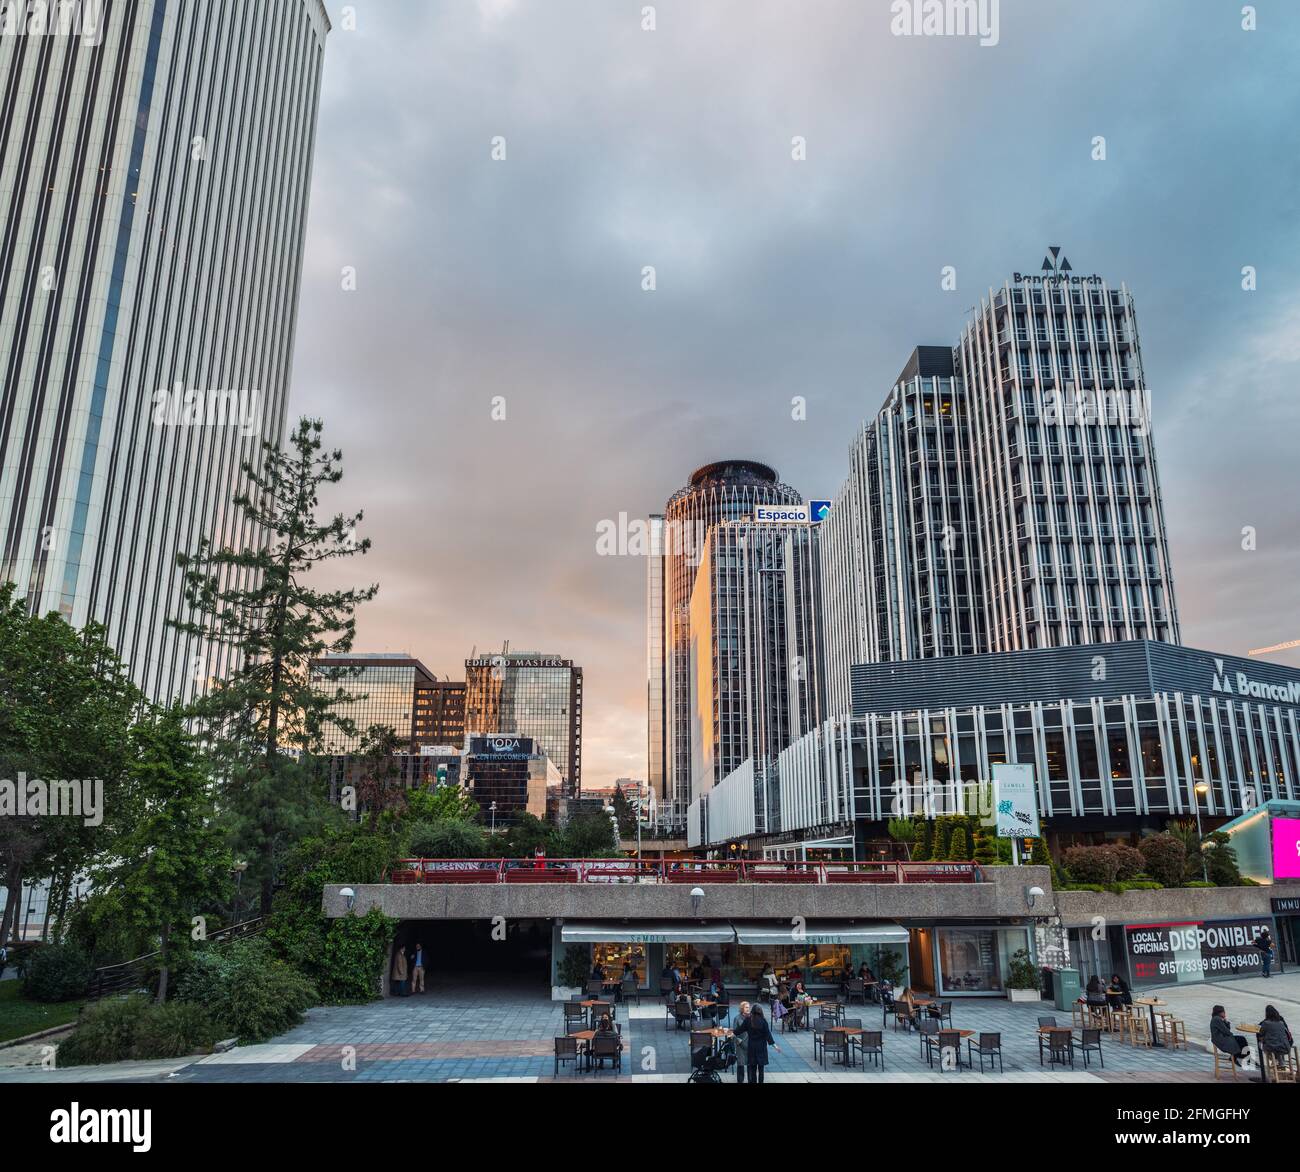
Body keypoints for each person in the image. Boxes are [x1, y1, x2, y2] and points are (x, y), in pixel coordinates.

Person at [736, 1003, 779, 1083]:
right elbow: (768, 1035)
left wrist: (732, 1033)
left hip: (752, 1047)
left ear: (752, 1011)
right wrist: (774, 1045)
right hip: (761, 1048)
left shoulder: (748, 1020)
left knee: (753, 1069)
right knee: (761, 1069)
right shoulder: (763, 1021)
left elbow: (740, 1030)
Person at [1257, 1005, 1293, 1080]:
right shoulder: (1281, 1023)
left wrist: (1263, 1038)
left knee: (1261, 1042)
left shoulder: (1266, 1023)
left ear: (1267, 1014)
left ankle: (1273, 1063)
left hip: (1272, 1048)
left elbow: (1260, 1032)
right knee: (1276, 1044)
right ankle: (1280, 1064)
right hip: (1286, 1048)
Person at [731, 1001, 752, 1083]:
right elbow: (734, 1032)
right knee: (740, 1064)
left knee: (750, 1064)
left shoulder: (751, 1018)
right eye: (746, 1007)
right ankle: (740, 1081)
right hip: (740, 1044)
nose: (748, 1009)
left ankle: (751, 1080)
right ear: (742, 1008)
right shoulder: (737, 1018)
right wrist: (738, 1041)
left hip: (750, 1044)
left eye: (748, 1007)